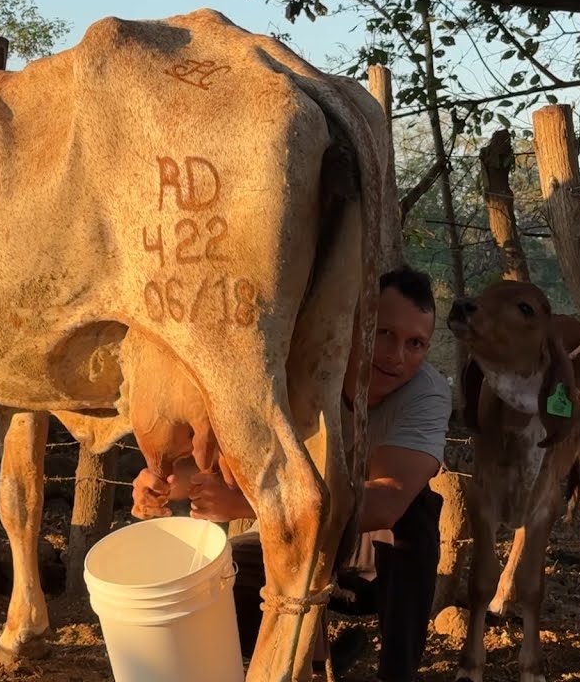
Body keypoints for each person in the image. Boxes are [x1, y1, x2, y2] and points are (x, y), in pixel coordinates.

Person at [131, 265, 451, 681]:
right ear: (352, 322)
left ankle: (398, 672)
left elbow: (388, 499)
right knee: (217, 601)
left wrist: (249, 503)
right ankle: (309, 661)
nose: (396, 356)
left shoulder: (427, 393)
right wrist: (165, 484)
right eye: (383, 333)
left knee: (415, 516)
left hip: (364, 555)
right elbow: (204, 470)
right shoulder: (295, 370)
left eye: (415, 344)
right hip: (286, 543)